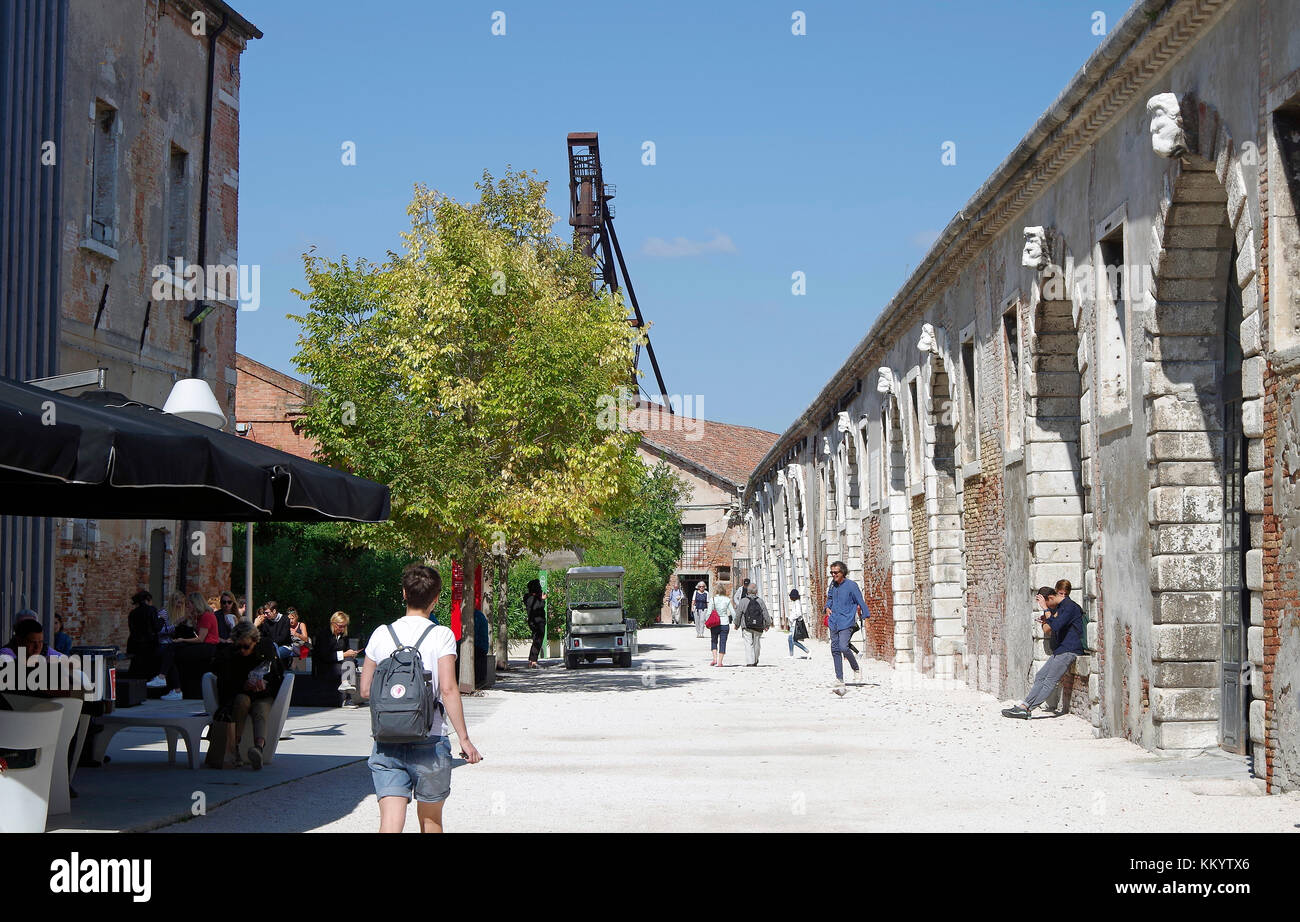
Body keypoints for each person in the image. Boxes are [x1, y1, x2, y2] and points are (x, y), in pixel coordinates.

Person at [360, 563, 482, 833]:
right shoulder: (441, 635)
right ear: (436, 598)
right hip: (431, 738)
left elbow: (366, 690)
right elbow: (448, 689)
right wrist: (464, 738)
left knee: (390, 824)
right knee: (431, 820)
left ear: (403, 593)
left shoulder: (381, 634)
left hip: (387, 740)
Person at [209, 621, 284, 769]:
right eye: (238, 646)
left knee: (261, 709)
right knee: (242, 701)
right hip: (240, 693)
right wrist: (243, 685)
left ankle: (258, 749)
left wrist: (265, 684)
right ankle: (234, 747)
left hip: (263, 695)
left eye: (246, 646)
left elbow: (277, 677)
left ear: (255, 642)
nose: (242, 650)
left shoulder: (266, 649)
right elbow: (224, 683)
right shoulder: (229, 655)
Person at [1002, 587, 1085, 719]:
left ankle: (1028, 709)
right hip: (1061, 649)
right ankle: (1024, 706)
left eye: (1046, 603)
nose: (1046, 607)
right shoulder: (1062, 607)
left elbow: (1056, 626)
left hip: (1070, 649)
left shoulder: (1070, 607)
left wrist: (1046, 610)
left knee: (1050, 681)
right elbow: (1057, 622)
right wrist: (1047, 616)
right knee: (1041, 676)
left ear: (1051, 598)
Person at [146, 592, 219, 700]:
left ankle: (168, 682)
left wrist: (182, 640)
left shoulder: (206, 616)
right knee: (172, 649)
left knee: (173, 650)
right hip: (204, 645)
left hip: (208, 648)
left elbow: (200, 639)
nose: (186, 606)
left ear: (195, 604)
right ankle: (171, 686)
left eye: (188, 604)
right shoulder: (200, 616)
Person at [825, 560, 868, 696]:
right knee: (835, 649)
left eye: (836, 572)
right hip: (834, 621)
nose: (833, 575)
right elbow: (829, 599)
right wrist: (826, 607)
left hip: (847, 621)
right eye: (831, 572)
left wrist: (865, 616)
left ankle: (856, 668)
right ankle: (839, 678)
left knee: (844, 647)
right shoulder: (832, 585)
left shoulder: (852, 586)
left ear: (842, 572)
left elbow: (860, 601)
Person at [315, 611, 363, 706]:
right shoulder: (324, 634)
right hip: (325, 665)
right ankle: (348, 698)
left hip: (341, 664)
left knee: (349, 662)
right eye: (340, 626)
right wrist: (344, 654)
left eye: (344, 626)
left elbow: (346, 651)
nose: (342, 628)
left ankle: (345, 685)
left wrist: (351, 654)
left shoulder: (344, 636)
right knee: (348, 666)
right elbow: (324, 656)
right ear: (333, 623)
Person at [736, 584, 773, 666]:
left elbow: (738, 614)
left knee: (748, 643)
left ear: (748, 591)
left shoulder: (743, 601)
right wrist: (767, 625)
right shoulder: (760, 601)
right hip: (759, 626)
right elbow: (765, 614)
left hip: (746, 626)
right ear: (756, 591)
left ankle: (750, 662)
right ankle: (755, 659)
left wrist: (737, 624)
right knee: (757, 643)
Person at [255, 600, 293, 668]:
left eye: (267, 613)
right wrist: (259, 625)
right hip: (271, 646)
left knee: (273, 653)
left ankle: (276, 673)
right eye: (264, 613)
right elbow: (263, 636)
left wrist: (271, 643)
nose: (265, 615)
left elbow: (283, 637)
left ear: (274, 611)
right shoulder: (266, 621)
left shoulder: (285, 619)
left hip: (285, 646)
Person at [708, 582, 734, 667]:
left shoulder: (713, 599)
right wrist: (737, 623)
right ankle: (720, 662)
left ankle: (714, 659)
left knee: (714, 640)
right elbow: (733, 612)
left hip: (715, 622)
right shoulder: (727, 600)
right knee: (723, 642)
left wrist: (707, 622)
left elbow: (708, 612)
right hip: (725, 623)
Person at [523, 579, 546, 668]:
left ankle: (531, 659)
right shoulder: (533, 598)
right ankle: (533, 660)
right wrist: (543, 600)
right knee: (538, 640)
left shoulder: (528, 597)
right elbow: (539, 607)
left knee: (536, 639)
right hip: (538, 621)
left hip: (532, 621)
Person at [787, 589, 810, 658]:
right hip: (793, 624)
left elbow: (799, 614)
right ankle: (791, 655)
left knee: (793, 640)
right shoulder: (796, 602)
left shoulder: (797, 603)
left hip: (795, 624)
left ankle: (807, 651)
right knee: (790, 639)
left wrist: (791, 618)